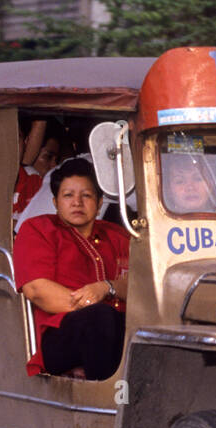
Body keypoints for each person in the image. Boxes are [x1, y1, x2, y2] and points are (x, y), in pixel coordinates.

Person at [13, 158, 129, 380]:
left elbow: (142, 285)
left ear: (100, 201)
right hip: (60, 337)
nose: (77, 202)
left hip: (115, 327)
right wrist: (94, 305)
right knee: (102, 318)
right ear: (56, 202)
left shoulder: (119, 235)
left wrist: (107, 287)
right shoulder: (39, 229)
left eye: (86, 195)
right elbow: (37, 290)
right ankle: (104, 404)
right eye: (68, 196)